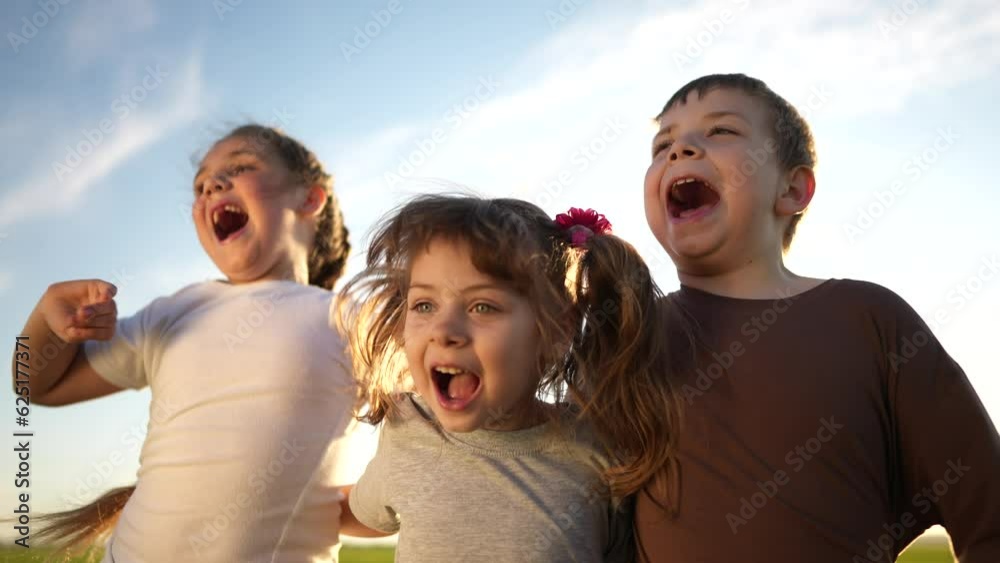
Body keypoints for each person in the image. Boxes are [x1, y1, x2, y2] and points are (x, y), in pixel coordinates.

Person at [574, 73, 1000, 562]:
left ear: (793, 189)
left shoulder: (870, 319)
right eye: (663, 143)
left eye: (720, 132)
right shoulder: (625, 337)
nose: (680, 149)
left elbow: (988, 518)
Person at [15, 124, 359, 562]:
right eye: (201, 185)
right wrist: (45, 322)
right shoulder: (176, 312)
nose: (212, 185)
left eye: (241, 167)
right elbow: (34, 385)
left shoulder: (350, 318)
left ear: (309, 198)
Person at [337, 194, 691, 562]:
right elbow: (362, 511)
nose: (443, 331)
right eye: (424, 305)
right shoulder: (407, 429)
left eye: (482, 306)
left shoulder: (599, 455)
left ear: (556, 332)